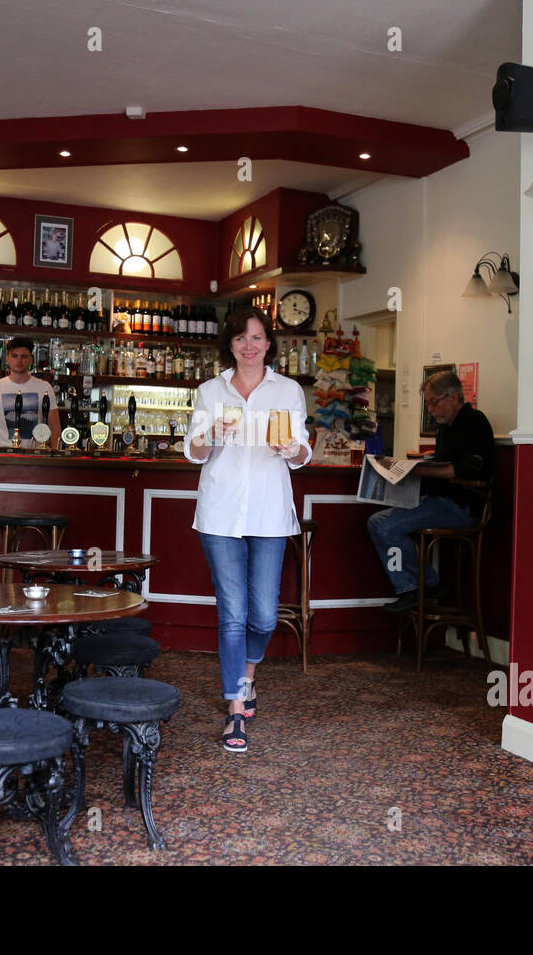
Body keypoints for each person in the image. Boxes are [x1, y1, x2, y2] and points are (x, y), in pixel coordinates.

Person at [185, 306, 311, 753]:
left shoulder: (289, 390)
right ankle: (235, 711)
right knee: (233, 615)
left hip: (270, 515)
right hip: (219, 513)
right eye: (241, 339)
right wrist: (211, 434)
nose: (250, 346)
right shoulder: (209, 390)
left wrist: (292, 447)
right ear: (230, 345)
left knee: (262, 615)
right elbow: (194, 452)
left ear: (268, 343)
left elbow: (302, 455)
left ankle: (249, 675)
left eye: (257, 337)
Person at [368, 370, 494, 612]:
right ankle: (419, 586)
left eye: (434, 402)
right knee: (378, 521)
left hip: (463, 505)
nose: (431, 409)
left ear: (454, 397)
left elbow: (467, 468)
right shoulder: (445, 427)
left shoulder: (474, 421)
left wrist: (421, 471)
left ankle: (420, 587)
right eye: (428, 404)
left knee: (384, 526)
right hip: (440, 501)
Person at [0, 336, 61, 449]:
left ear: (31, 359)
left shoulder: (45, 388)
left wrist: (54, 460)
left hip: (37, 458)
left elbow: (55, 429)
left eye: (24, 356)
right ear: (7, 359)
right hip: (4, 459)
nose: (19, 360)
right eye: (15, 356)